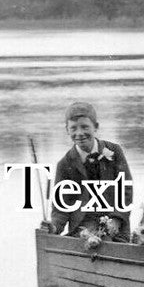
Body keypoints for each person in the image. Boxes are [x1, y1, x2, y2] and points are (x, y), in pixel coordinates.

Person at [47, 102, 133, 241]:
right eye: (73, 128)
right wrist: (54, 227)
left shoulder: (114, 151)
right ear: (67, 130)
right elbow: (61, 208)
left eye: (85, 127)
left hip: (115, 228)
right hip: (81, 231)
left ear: (96, 127)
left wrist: (117, 219)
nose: (79, 133)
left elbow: (126, 190)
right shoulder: (64, 164)